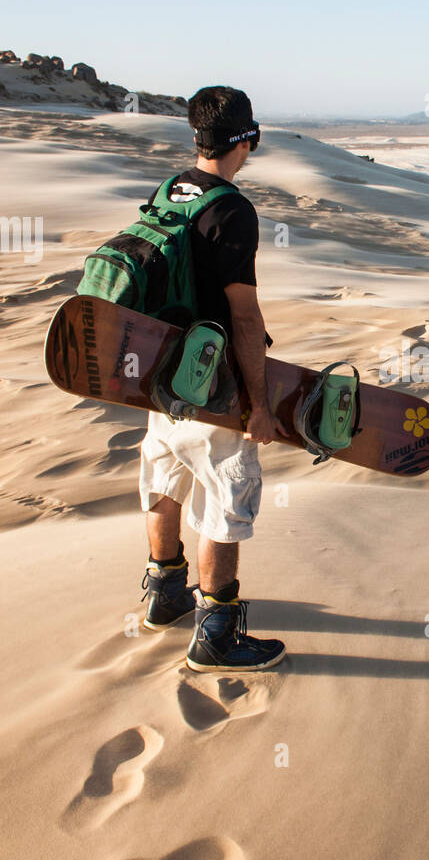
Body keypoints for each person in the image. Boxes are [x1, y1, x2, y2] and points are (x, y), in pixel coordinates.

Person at [138, 86, 287, 671]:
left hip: (159, 377)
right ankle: (217, 634)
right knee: (227, 498)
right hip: (210, 379)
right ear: (247, 138)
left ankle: (164, 594)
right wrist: (258, 405)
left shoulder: (169, 189)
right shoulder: (231, 210)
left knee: (164, 480)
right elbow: (245, 317)